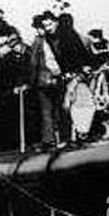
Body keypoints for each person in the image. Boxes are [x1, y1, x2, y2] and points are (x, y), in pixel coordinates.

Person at [28, 11, 64, 150]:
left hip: (43, 80)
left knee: (46, 111)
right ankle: (62, 136)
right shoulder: (56, 39)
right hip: (58, 77)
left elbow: (33, 63)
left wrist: (32, 82)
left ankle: (49, 139)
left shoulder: (37, 42)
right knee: (58, 109)